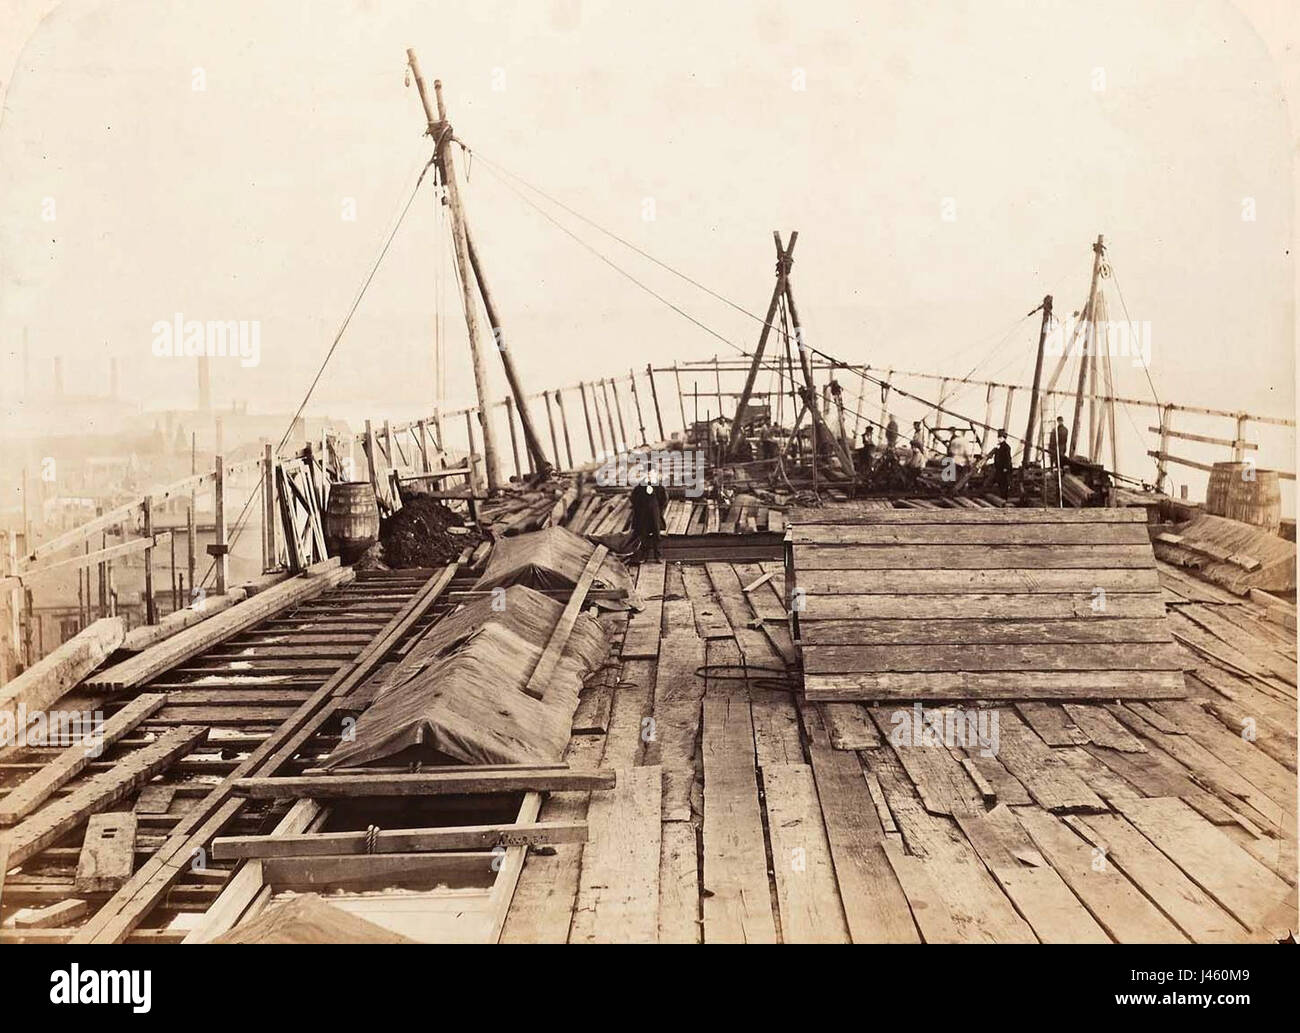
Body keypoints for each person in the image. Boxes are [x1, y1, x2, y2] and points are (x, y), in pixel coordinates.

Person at [629, 469, 668, 561]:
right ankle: (643, 556)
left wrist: (658, 509)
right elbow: (634, 498)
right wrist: (640, 509)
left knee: (656, 535)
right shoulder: (640, 487)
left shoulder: (659, 486)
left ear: (655, 474)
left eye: (652, 473)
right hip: (644, 515)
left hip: (655, 514)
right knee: (644, 534)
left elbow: (664, 500)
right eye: (648, 474)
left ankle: (657, 556)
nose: (650, 475)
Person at [991, 429, 1013, 498]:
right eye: (998, 437)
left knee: (1004, 483)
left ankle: (1004, 497)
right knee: (1000, 483)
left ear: (1004, 438)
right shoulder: (998, 446)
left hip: (1004, 469)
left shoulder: (1006, 447)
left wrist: (1006, 468)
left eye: (1000, 438)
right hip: (999, 468)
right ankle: (1001, 496)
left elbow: (1008, 459)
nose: (999, 439)